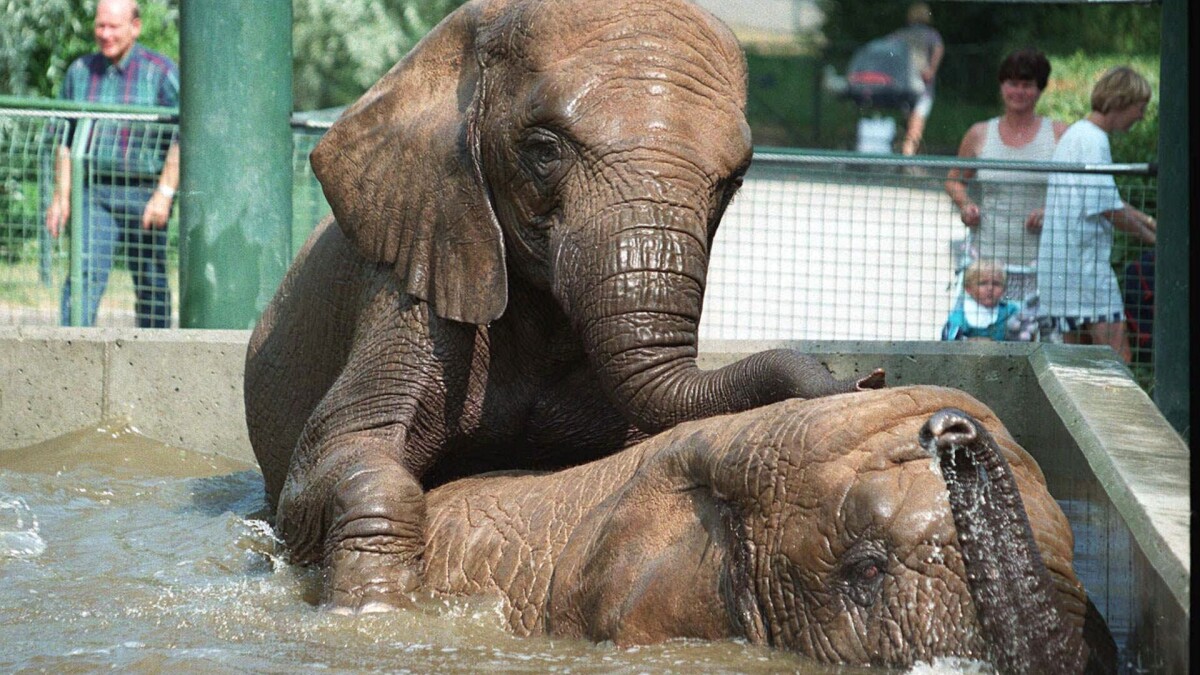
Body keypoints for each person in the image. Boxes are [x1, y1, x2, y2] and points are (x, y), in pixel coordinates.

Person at [44, 0, 179, 328]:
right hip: (94, 192)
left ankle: (155, 356)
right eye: (100, 26)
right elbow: (65, 139)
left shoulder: (160, 71)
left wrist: (164, 193)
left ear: (135, 27)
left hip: (145, 193)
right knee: (83, 274)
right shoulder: (79, 72)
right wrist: (62, 197)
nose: (105, 34)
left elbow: (182, 137)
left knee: (151, 281)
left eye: (113, 27)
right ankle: (70, 352)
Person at [1036, 66, 1156, 363]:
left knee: (1074, 365)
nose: (1141, 116)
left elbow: (1107, 200)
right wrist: (1154, 241)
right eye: (1140, 108)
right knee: (1118, 361)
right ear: (1122, 101)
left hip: (1062, 273)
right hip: (1086, 273)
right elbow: (1107, 209)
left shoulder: (1077, 134)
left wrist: (1150, 223)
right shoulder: (1094, 141)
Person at [944, 48, 1068, 303]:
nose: (1019, 92)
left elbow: (1078, 190)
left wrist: (1051, 210)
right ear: (1002, 86)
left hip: (1040, 260)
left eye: (1027, 85)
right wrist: (966, 205)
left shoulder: (1058, 134)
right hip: (988, 261)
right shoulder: (979, 133)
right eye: (1012, 83)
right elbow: (954, 180)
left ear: (1040, 89)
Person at [889, 2, 943, 156]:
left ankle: (909, 156)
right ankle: (908, 157)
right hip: (923, 87)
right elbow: (938, 51)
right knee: (916, 126)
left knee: (910, 125)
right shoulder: (932, 36)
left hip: (904, 86)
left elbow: (888, 48)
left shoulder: (901, 34)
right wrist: (931, 69)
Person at [942, 259, 1034, 342]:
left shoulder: (1010, 310)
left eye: (996, 284)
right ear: (968, 288)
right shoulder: (961, 314)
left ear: (1004, 289)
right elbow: (949, 341)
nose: (990, 288)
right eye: (982, 283)